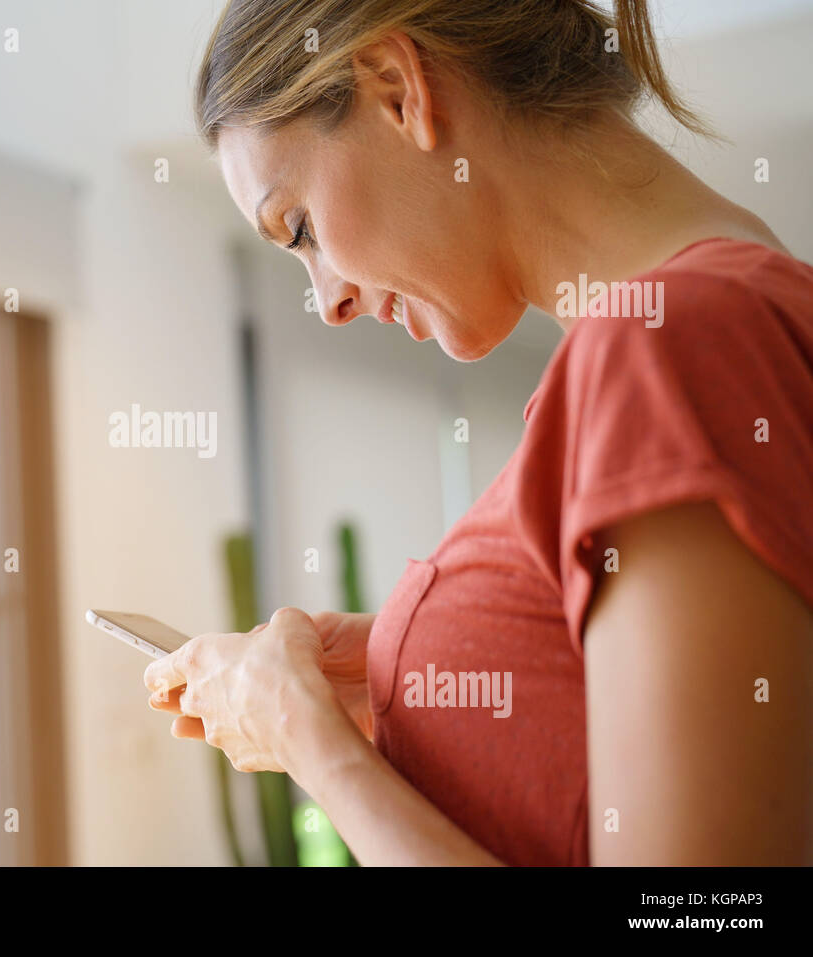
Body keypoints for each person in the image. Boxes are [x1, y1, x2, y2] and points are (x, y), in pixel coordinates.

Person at [144, 0, 813, 865]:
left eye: (300, 228)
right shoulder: (705, 326)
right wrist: (419, 669)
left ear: (397, 89)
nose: (329, 301)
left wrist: (312, 744)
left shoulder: (669, 343)